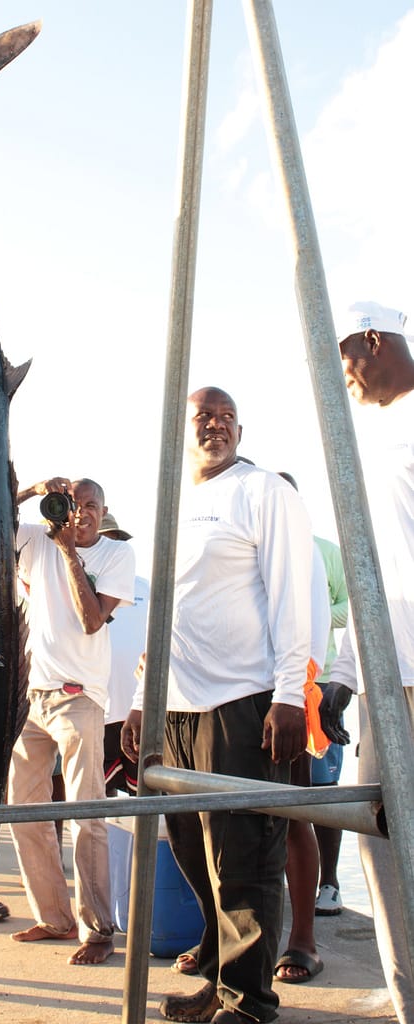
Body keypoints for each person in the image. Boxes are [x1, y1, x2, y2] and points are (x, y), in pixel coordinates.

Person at [122, 386, 313, 1024]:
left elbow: (293, 596)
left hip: (242, 702)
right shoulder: (174, 503)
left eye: (227, 416)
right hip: (175, 709)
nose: (216, 425)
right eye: (204, 415)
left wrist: (289, 695)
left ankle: (249, 1002)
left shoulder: (264, 492)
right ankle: (221, 979)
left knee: (246, 863)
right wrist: (141, 699)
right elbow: (162, 610)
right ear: (182, 429)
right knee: (194, 857)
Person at [320, 300, 414, 1024]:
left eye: (340, 351)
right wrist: (345, 674)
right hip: (388, 677)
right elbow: (369, 573)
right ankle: (407, 988)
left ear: (374, 340)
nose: (336, 373)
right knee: (375, 825)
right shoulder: (371, 440)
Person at [8, 477, 135, 965]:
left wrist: (67, 553)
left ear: (104, 512)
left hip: (79, 699)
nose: (80, 514)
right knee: (23, 810)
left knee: (87, 815)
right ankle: (53, 917)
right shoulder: (35, 538)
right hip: (30, 696)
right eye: (72, 504)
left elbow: (90, 619)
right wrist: (33, 488)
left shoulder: (115, 556)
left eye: (90, 506)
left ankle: (98, 929)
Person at [271, 473, 330, 985]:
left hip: (286, 698)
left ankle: (303, 938)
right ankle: (222, 938)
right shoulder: (256, 543)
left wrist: (288, 698)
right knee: (228, 820)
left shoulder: (305, 550)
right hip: (232, 696)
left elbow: (312, 634)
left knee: (293, 816)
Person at [98, 512, 149, 798]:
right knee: (98, 798)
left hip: (137, 712)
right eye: (105, 542)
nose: (112, 549)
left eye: (116, 541)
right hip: (98, 712)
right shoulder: (82, 588)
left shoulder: (144, 587)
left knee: (140, 796)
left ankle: (136, 846)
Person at [311, 535, 348, 916]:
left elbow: (352, 605)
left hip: (321, 682)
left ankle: (330, 883)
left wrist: (313, 610)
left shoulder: (325, 551)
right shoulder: (253, 545)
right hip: (263, 682)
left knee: (323, 787)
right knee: (271, 789)